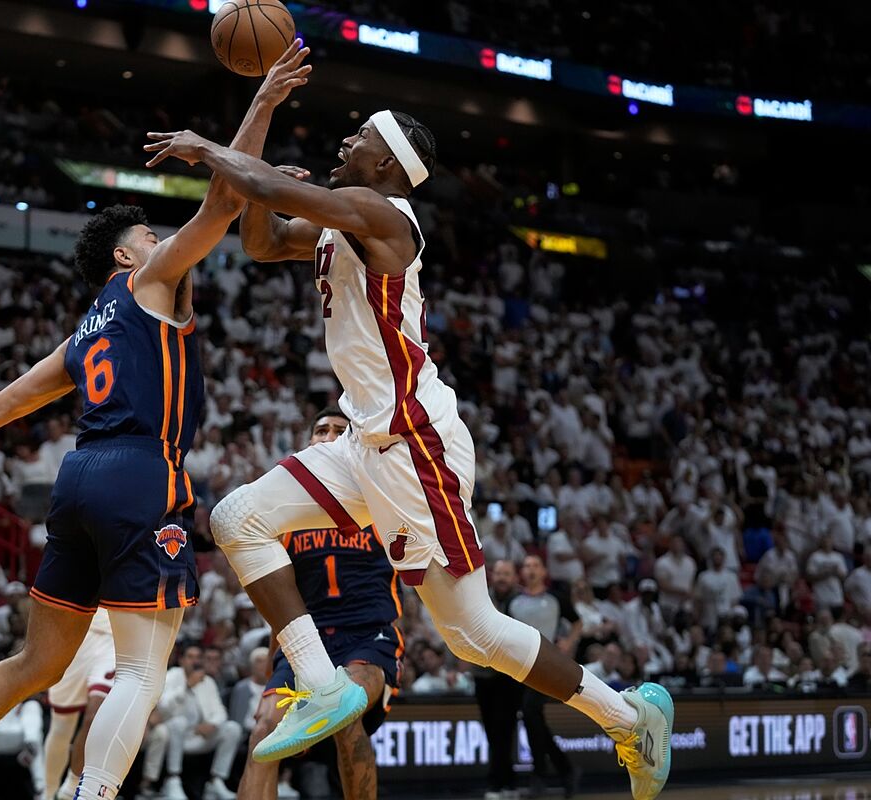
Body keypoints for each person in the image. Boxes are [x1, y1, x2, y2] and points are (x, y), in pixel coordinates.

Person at [151, 84, 673, 798]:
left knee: (473, 633)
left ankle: (629, 720)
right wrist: (264, 178)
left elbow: (257, 180)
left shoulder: (387, 214)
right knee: (238, 518)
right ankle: (321, 681)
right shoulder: (346, 221)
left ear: (389, 165)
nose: (343, 143)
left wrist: (217, 141)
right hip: (365, 441)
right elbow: (262, 238)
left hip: (415, 442)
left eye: (358, 136)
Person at [0, 43, 312, 800]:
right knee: (140, 669)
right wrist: (261, 105)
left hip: (78, 478)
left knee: (38, 663)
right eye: (153, 238)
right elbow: (223, 206)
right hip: (139, 475)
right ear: (127, 256)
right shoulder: (151, 279)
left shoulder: (83, 332)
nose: (166, 245)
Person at [238, 407, 403, 800]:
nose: (328, 435)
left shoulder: (382, 502)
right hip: (303, 643)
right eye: (320, 430)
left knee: (345, 715)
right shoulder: (284, 518)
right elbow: (278, 599)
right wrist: (273, 659)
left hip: (366, 637)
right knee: (263, 730)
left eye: (338, 430)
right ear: (309, 444)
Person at [509, 555, 582, 798]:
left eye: (535, 565)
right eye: (526, 566)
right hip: (517, 668)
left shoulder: (555, 598)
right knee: (533, 719)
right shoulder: (514, 601)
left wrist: (568, 643)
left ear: (543, 572)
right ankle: (565, 770)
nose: (530, 570)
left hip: (546, 667)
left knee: (530, 713)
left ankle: (540, 774)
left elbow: (577, 622)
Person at [143, 643, 242, 800]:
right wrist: (187, 686)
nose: (194, 661)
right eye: (190, 657)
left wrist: (213, 724)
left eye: (197, 657)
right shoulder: (171, 676)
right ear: (182, 660)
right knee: (179, 723)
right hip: (174, 733)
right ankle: (173, 779)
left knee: (232, 728)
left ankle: (216, 781)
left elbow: (220, 711)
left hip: (198, 735)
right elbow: (163, 707)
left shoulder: (207, 681)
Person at [43, 609, 115, 800]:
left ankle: (71, 788)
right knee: (61, 727)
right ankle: (48, 792)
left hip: (115, 637)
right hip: (76, 629)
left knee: (96, 718)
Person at [475, 560, 524, 800]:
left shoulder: (523, 601)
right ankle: (505, 781)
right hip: (483, 673)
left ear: (515, 576)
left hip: (510, 675)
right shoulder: (480, 596)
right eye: (499, 573)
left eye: (507, 573)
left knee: (504, 728)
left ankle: (500, 783)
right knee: (491, 729)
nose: (502, 577)